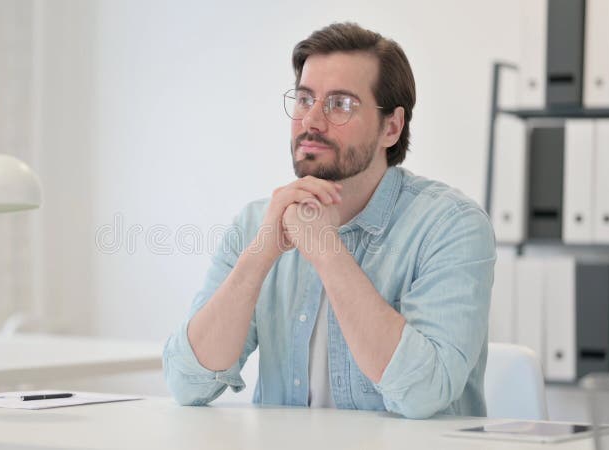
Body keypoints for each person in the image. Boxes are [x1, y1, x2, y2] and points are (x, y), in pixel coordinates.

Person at [163, 22, 496, 419]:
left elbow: (424, 394)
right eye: (305, 99)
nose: (311, 121)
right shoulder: (258, 222)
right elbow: (187, 384)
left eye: (341, 104)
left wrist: (327, 252)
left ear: (391, 127)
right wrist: (259, 257)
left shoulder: (451, 226)